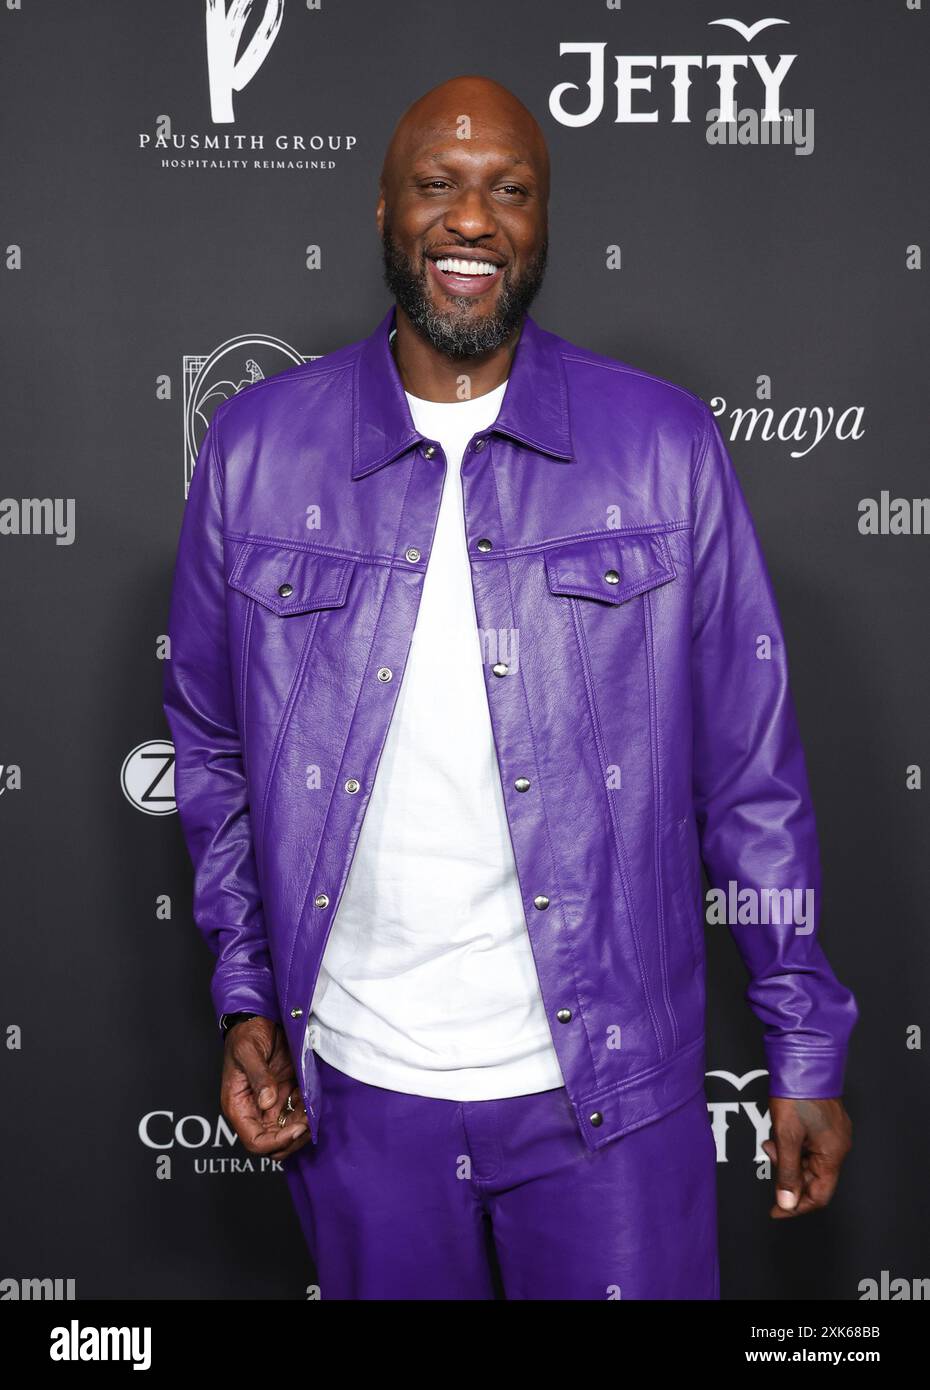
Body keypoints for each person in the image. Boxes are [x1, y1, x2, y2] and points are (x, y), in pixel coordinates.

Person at [163, 75, 857, 1300]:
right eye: (439, 185)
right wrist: (244, 994)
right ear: (384, 210)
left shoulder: (663, 446)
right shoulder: (259, 453)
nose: (471, 220)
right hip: (362, 1095)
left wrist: (802, 1044)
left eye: (509, 191)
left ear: (543, 225)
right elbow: (213, 752)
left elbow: (752, 778)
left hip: (612, 1098)